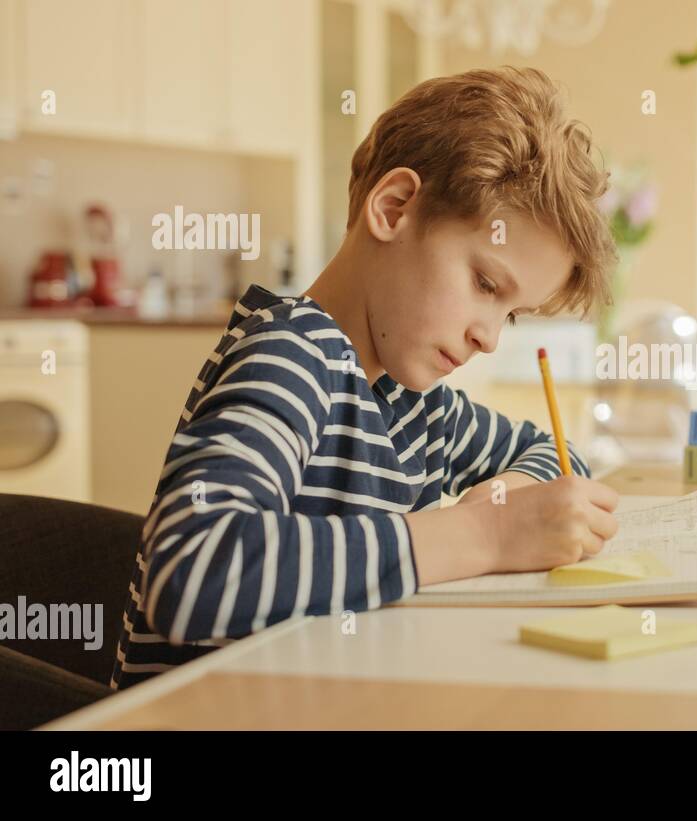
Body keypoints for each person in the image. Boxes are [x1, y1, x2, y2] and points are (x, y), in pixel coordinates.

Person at [112, 68, 620, 689]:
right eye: (485, 284)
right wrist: (482, 534)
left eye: (509, 313)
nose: (489, 336)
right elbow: (190, 571)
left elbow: (554, 451)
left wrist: (511, 496)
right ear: (394, 208)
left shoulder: (419, 405)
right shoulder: (292, 354)